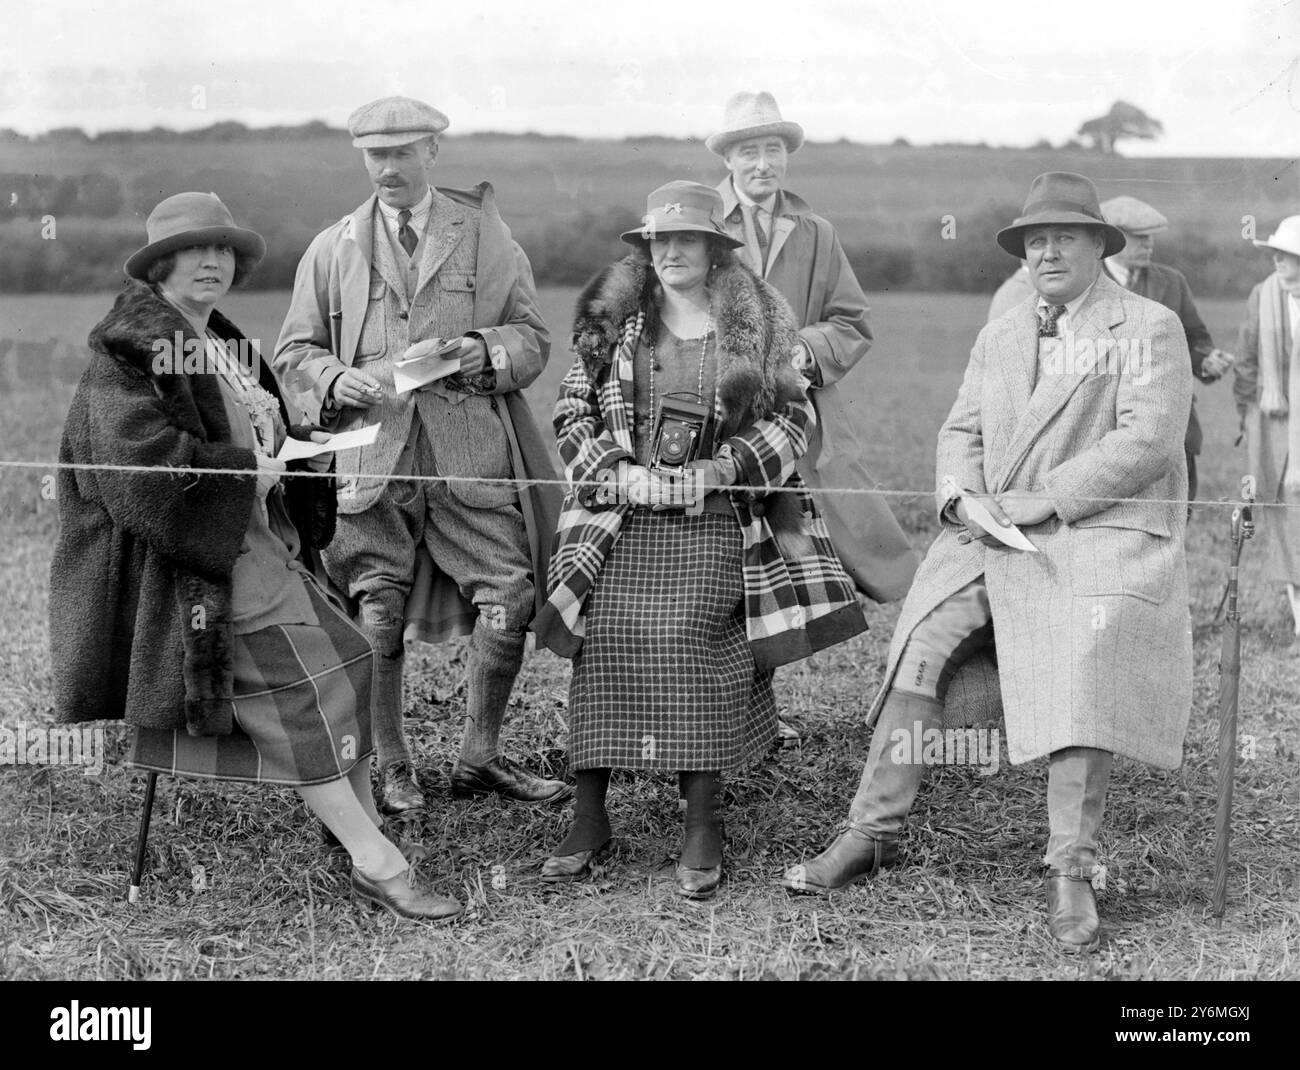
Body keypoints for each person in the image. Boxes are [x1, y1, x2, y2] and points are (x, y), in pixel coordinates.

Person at [782, 173, 1194, 953]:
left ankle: (1072, 869)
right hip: (996, 534)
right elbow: (959, 431)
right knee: (926, 641)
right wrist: (960, 499)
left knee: (1082, 659)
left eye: (1064, 237)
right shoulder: (1003, 330)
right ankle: (872, 831)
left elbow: (1147, 439)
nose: (1046, 252)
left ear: (1100, 247)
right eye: (1034, 240)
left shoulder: (1148, 326)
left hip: (1099, 534)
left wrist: (1051, 498)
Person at [48, 193, 461, 922]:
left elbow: (255, 430)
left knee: (352, 657)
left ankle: (355, 828)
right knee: (299, 693)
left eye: (224, 250)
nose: (212, 262)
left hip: (261, 548)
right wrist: (247, 473)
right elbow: (135, 473)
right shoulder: (126, 354)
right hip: (185, 572)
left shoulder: (225, 345)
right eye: (194, 250)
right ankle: (378, 862)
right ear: (159, 266)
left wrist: (305, 440)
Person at [534, 181, 867, 899]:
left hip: (723, 517)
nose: (673, 252)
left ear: (716, 250)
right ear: (646, 249)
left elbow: (792, 423)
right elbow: (569, 413)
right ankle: (589, 816)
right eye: (661, 240)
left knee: (688, 631)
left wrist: (722, 469)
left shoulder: (756, 327)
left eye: (688, 239)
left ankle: (700, 820)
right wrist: (618, 472)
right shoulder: (611, 326)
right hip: (619, 515)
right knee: (607, 629)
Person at [274, 97, 567, 815]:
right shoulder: (334, 244)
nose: (388, 168)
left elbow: (532, 337)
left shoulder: (485, 236)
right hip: (370, 460)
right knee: (374, 610)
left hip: (470, 454)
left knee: (510, 600)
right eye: (376, 155)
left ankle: (480, 756)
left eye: (403, 152)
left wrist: (483, 350)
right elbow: (294, 351)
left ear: (433, 151)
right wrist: (335, 377)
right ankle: (392, 765)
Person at [706, 90, 918, 742]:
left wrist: (808, 348)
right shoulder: (698, 223)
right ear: (729, 158)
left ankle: (757, 710)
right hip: (714, 424)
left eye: (773, 149)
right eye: (750, 149)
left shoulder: (818, 234)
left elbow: (852, 322)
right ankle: (718, 712)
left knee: (774, 559)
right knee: (719, 561)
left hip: (795, 424)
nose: (763, 163)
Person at [1101, 195, 1234, 508]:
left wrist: (1206, 360)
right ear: (1114, 239)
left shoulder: (1172, 282)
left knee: (1176, 513)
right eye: (1140, 238)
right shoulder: (1087, 283)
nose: (1149, 245)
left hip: (1172, 424)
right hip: (1107, 425)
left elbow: (1194, 338)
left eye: (1151, 238)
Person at [1234, 215, 1300, 636]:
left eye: (1287, 254)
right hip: (1275, 423)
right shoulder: (1263, 295)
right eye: (1275, 253)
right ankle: (1297, 612)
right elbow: (1246, 361)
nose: (1277, 260)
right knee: (1286, 515)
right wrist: (1249, 416)